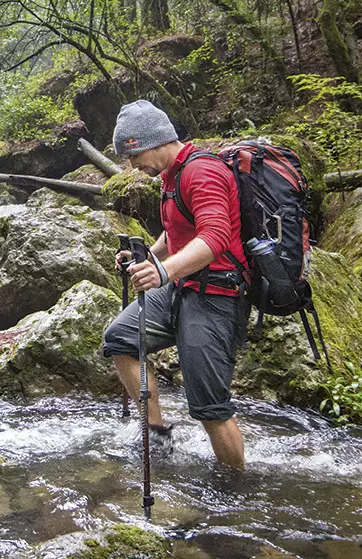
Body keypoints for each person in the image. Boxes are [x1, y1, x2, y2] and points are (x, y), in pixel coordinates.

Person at [101, 99, 249, 468]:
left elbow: (215, 238)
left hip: (217, 292)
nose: (132, 166)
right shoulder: (172, 175)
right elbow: (174, 231)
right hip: (183, 285)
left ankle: (238, 486)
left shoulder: (203, 173)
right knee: (120, 339)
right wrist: (148, 258)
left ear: (154, 141)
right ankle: (157, 436)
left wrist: (163, 272)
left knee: (209, 405)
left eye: (133, 156)